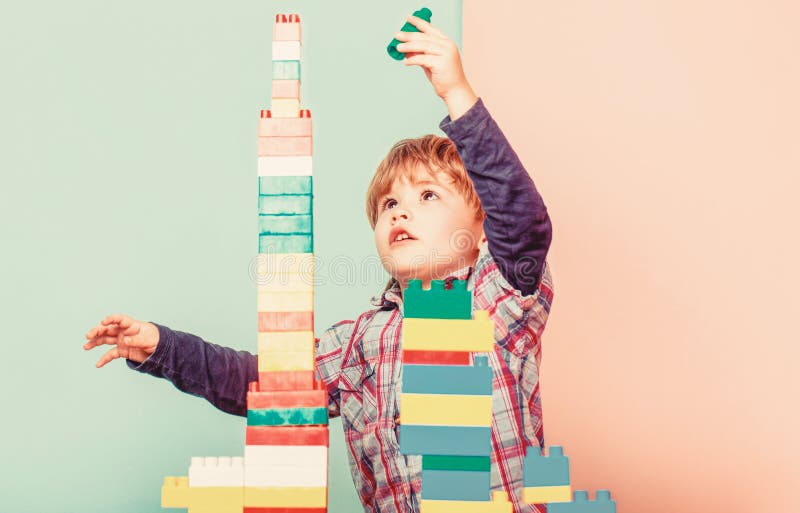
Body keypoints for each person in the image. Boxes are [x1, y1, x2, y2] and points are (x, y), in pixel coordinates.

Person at [83, 14, 554, 513]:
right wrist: (161, 347)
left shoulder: (497, 299)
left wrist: (457, 94)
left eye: (428, 195)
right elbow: (263, 384)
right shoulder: (355, 344)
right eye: (388, 205)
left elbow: (523, 222)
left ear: (480, 226)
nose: (401, 210)